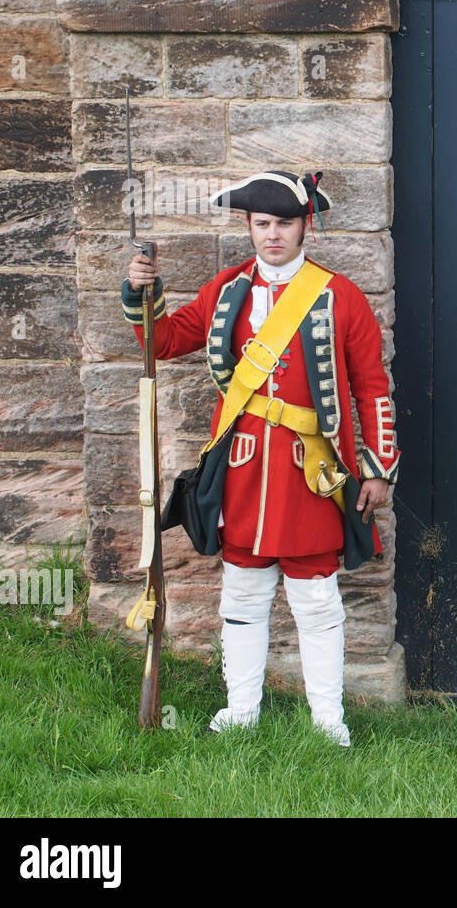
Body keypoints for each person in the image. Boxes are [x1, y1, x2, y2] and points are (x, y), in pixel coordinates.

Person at [122, 170, 399, 746]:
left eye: (285, 223)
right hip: (244, 471)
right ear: (249, 226)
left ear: (306, 226)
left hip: (313, 471)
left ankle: (329, 722)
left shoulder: (337, 294)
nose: (273, 234)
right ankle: (240, 712)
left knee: (316, 599)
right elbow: (166, 340)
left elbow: (372, 386)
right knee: (243, 595)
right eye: (262, 223)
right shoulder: (228, 289)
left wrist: (376, 466)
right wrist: (141, 294)